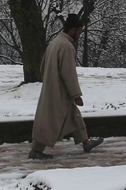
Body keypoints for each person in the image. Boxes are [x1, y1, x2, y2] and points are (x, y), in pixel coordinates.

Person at [29, 14, 103, 160]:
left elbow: (43, 67)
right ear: (72, 30)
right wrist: (76, 95)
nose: (80, 35)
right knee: (50, 120)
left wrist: (49, 81)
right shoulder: (66, 46)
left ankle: (86, 142)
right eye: (79, 32)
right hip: (59, 91)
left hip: (53, 87)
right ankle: (36, 150)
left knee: (73, 115)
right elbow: (69, 73)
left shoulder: (54, 43)